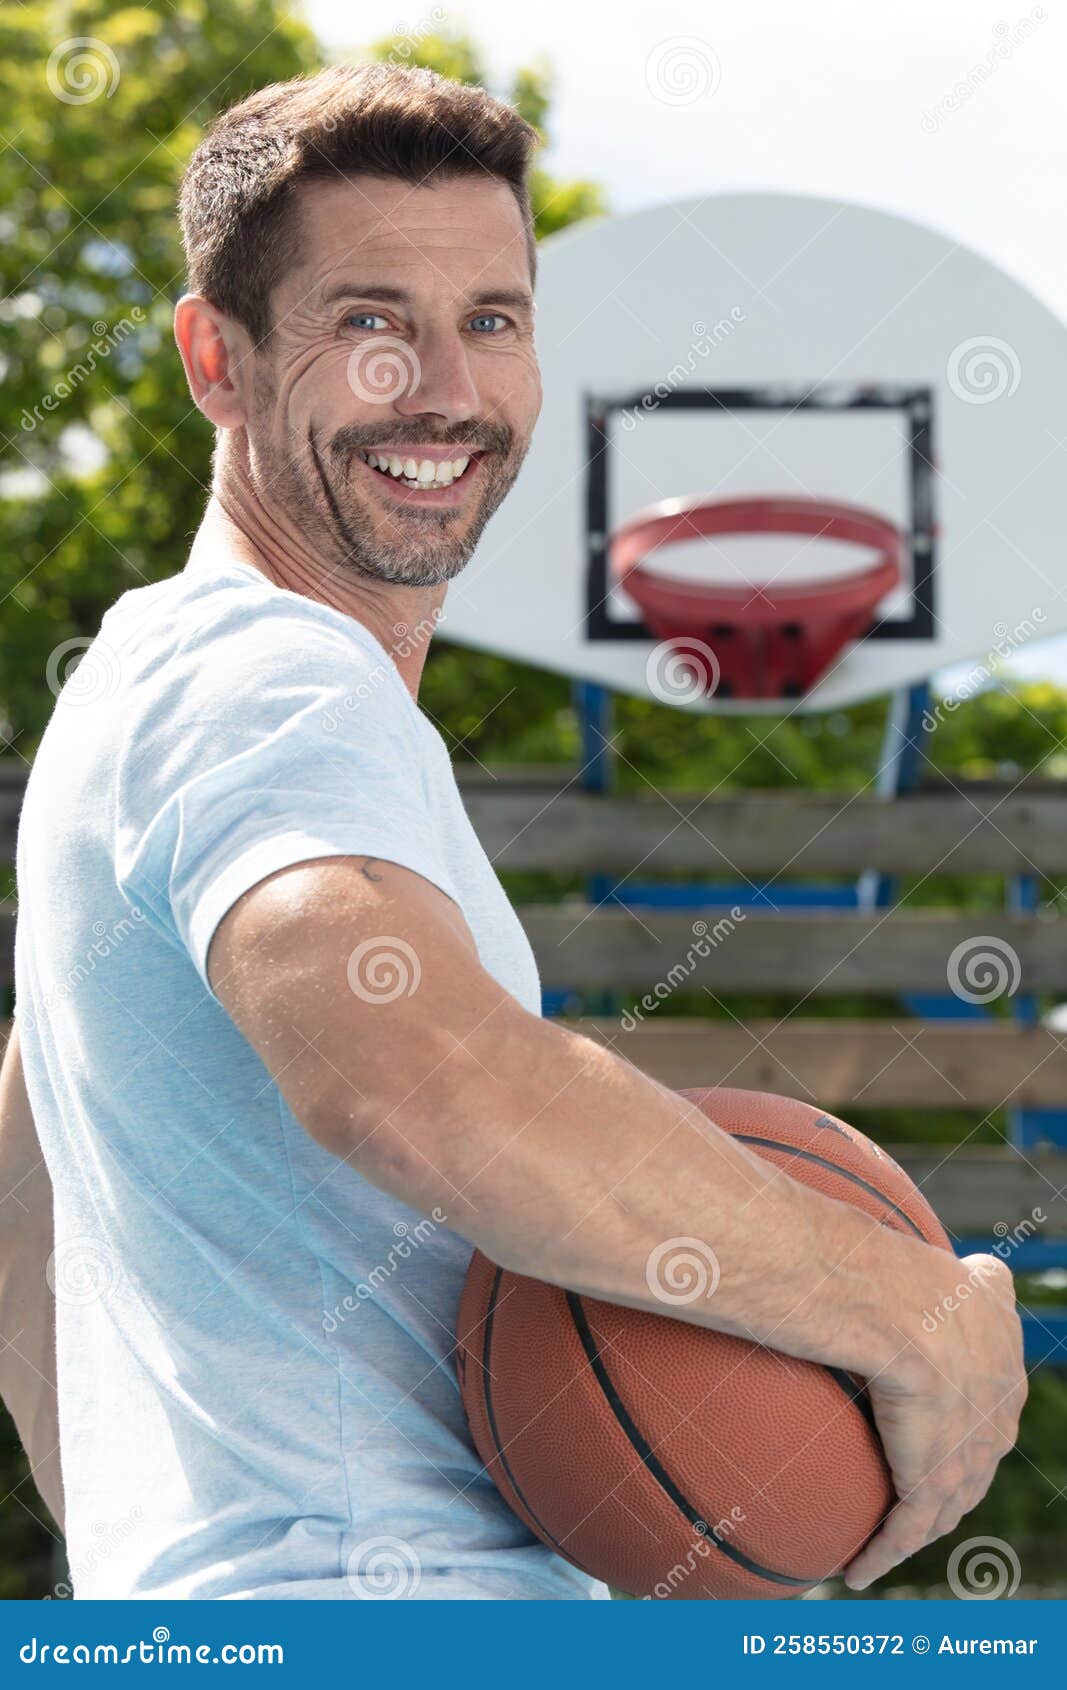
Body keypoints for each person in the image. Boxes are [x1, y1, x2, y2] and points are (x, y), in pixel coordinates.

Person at [0, 61, 1025, 1599]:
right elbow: (418, 1075)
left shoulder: (143, 693)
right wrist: (905, 1310)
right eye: (370, 322)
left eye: (492, 320)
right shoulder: (270, 677)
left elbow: (25, 1214)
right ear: (217, 357)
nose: (445, 389)